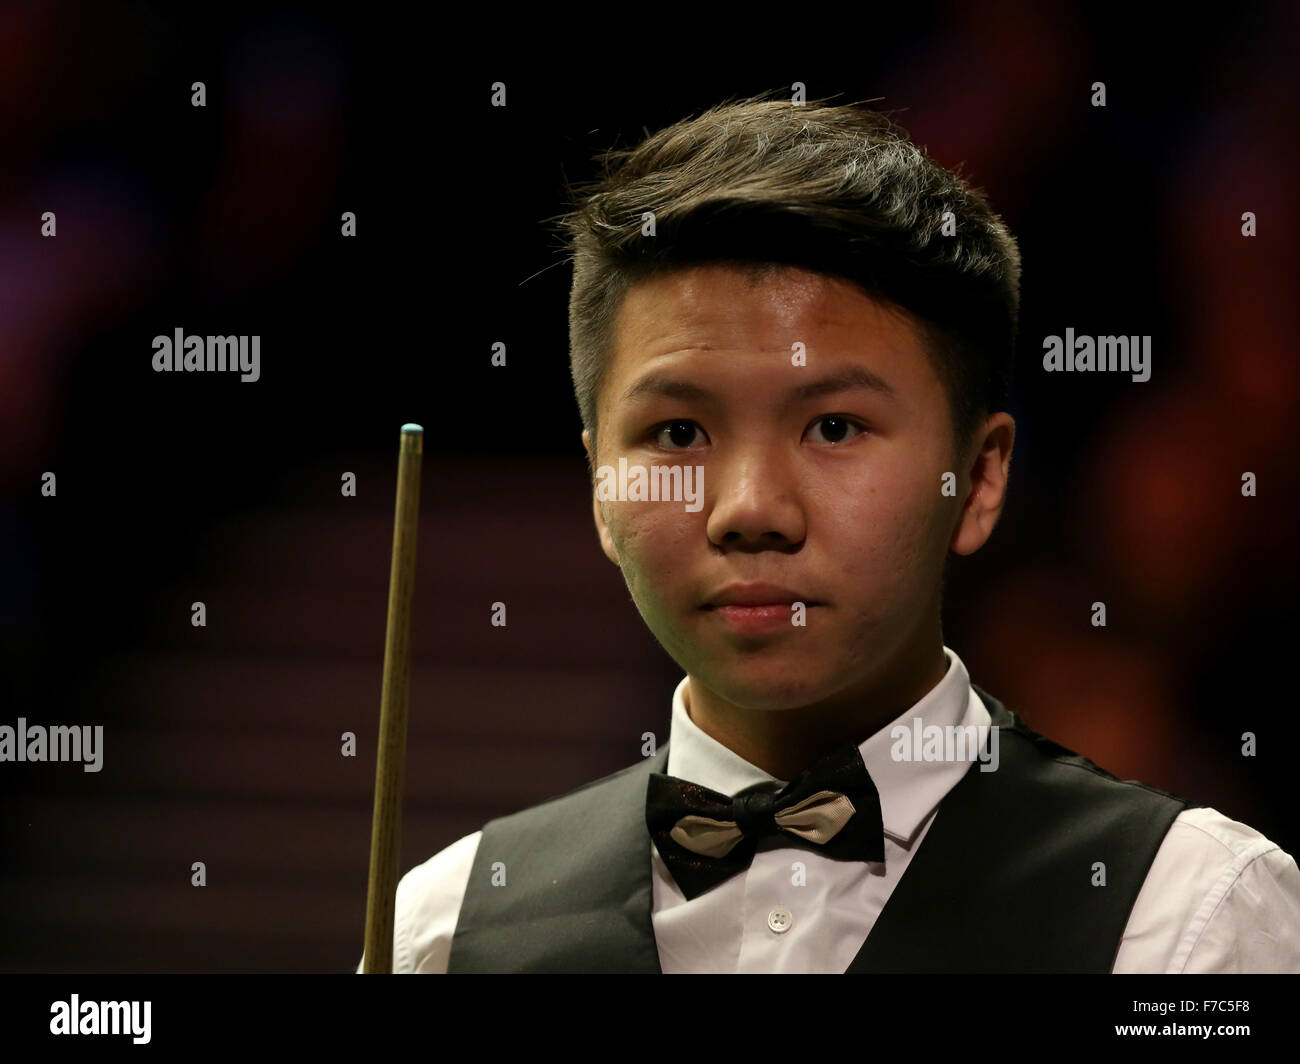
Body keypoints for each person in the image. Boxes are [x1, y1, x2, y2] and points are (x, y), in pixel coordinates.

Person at [358, 93, 1300, 973]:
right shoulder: (446, 930)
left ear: (978, 479)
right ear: (602, 487)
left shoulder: (1186, 912)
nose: (751, 509)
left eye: (834, 428)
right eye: (678, 433)